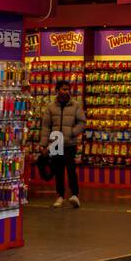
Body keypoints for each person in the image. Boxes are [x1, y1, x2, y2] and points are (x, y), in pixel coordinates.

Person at [39, 80, 87, 209]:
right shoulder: (51, 107)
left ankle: (75, 195)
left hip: (70, 143)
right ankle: (60, 196)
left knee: (71, 170)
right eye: (64, 89)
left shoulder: (75, 106)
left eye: (67, 89)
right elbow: (46, 127)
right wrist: (43, 145)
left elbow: (82, 122)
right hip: (55, 143)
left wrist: (72, 132)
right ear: (58, 90)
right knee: (58, 171)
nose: (66, 92)